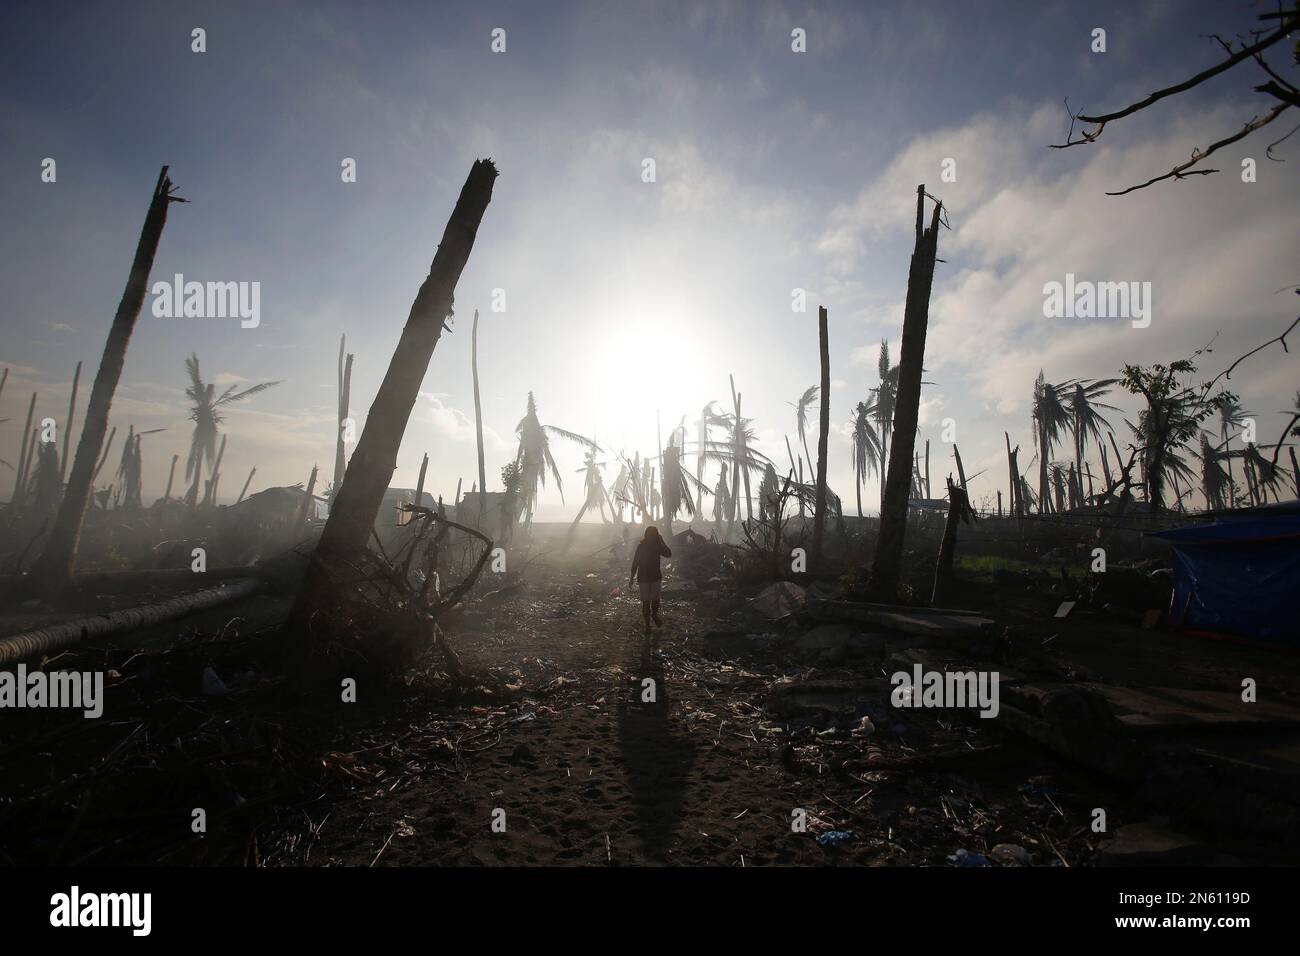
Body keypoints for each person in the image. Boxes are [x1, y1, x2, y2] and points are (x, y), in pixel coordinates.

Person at [629, 525, 672, 631]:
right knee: (653, 600)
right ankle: (652, 617)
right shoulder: (654, 545)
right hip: (653, 577)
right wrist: (662, 541)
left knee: (647, 602)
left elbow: (635, 563)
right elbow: (668, 553)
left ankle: (648, 624)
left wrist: (631, 578)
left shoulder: (644, 545)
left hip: (645, 577)